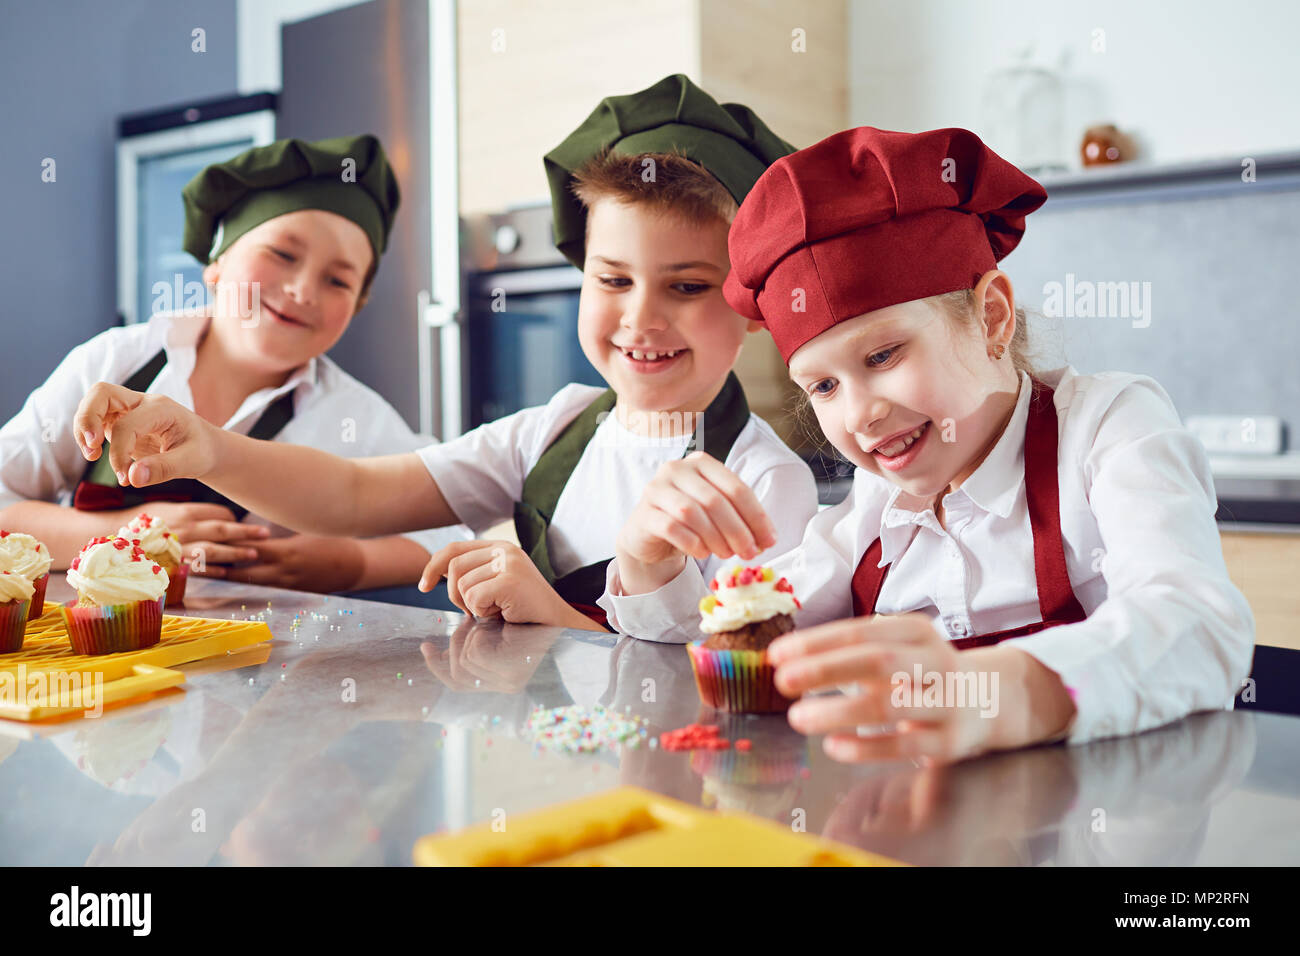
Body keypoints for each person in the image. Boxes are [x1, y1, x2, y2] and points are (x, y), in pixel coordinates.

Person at [70, 75, 819, 630]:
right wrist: (209, 449)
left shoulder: (763, 484)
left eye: (687, 286)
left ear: (752, 305)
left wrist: (551, 614)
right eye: (612, 279)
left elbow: (743, 694)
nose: (640, 318)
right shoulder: (554, 429)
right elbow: (358, 495)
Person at [607, 126, 1254, 762]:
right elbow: (740, 650)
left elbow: (1200, 625)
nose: (861, 412)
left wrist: (1019, 689)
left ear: (992, 316)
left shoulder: (1108, 428)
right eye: (825, 386)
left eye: (884, 354)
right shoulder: (873, 505)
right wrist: (649, 561)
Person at [0, 134, 469, 594]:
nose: (303, 290)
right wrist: (126, 534)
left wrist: (350, 565)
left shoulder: (356, 418)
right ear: (216, 263)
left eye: (338, 281)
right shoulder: (114, 364)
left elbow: (449, 533)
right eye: (282, 254)